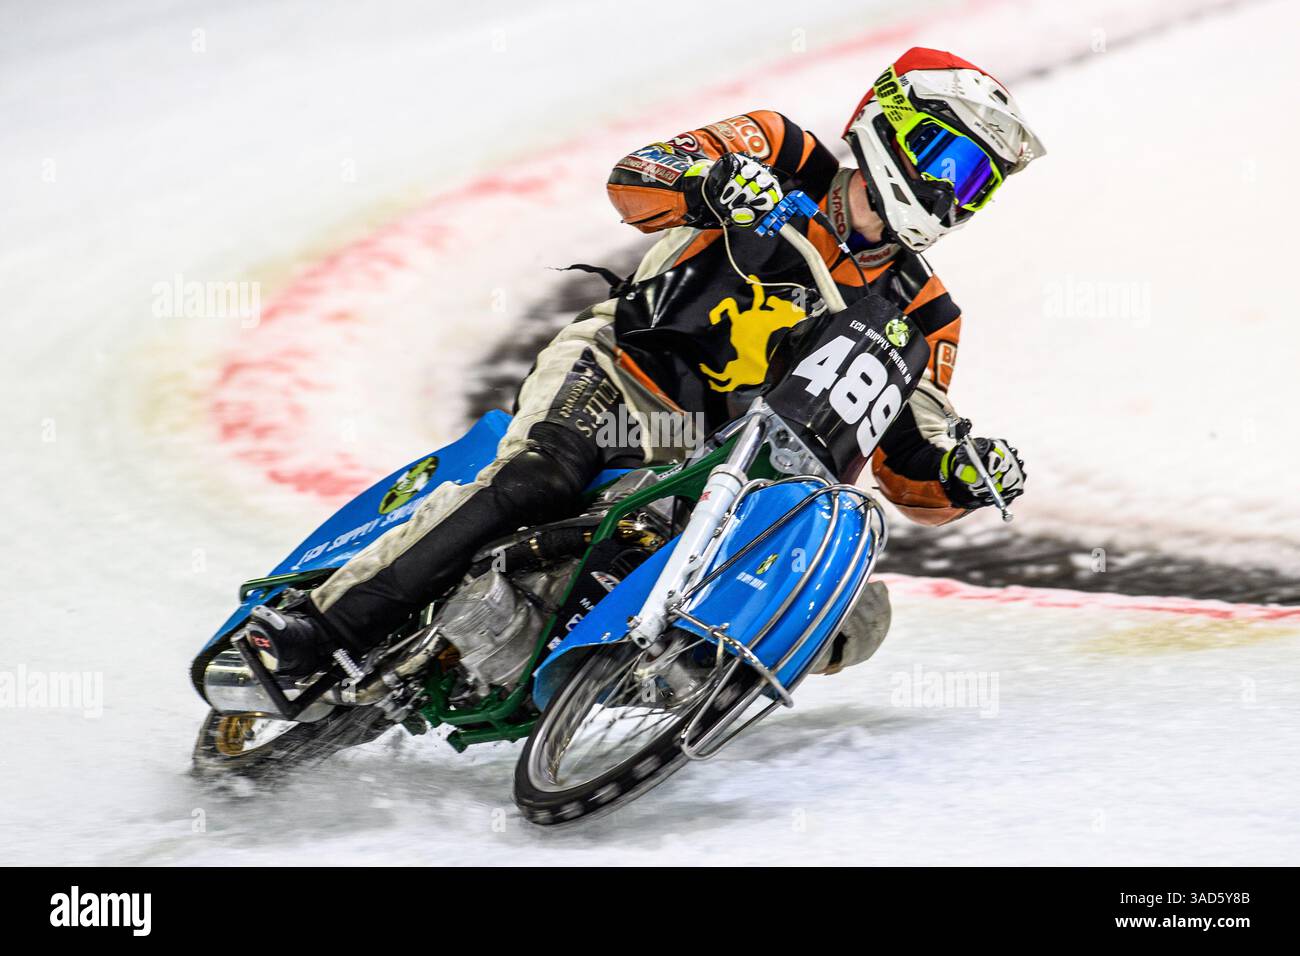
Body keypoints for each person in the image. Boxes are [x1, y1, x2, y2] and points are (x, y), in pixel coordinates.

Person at [245, 47, 1041, 677]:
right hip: (625, 373)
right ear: (887, 125)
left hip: (728, 468)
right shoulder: (780, 149)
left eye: (975, 182)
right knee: (541, 478)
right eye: (946, 161)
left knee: (856, 612)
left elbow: (912, 472)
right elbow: (634, 180)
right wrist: (713, 181)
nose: (949, 193)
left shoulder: (926, 313)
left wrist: (964, 474)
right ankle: (318, 626)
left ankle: (670, 689)